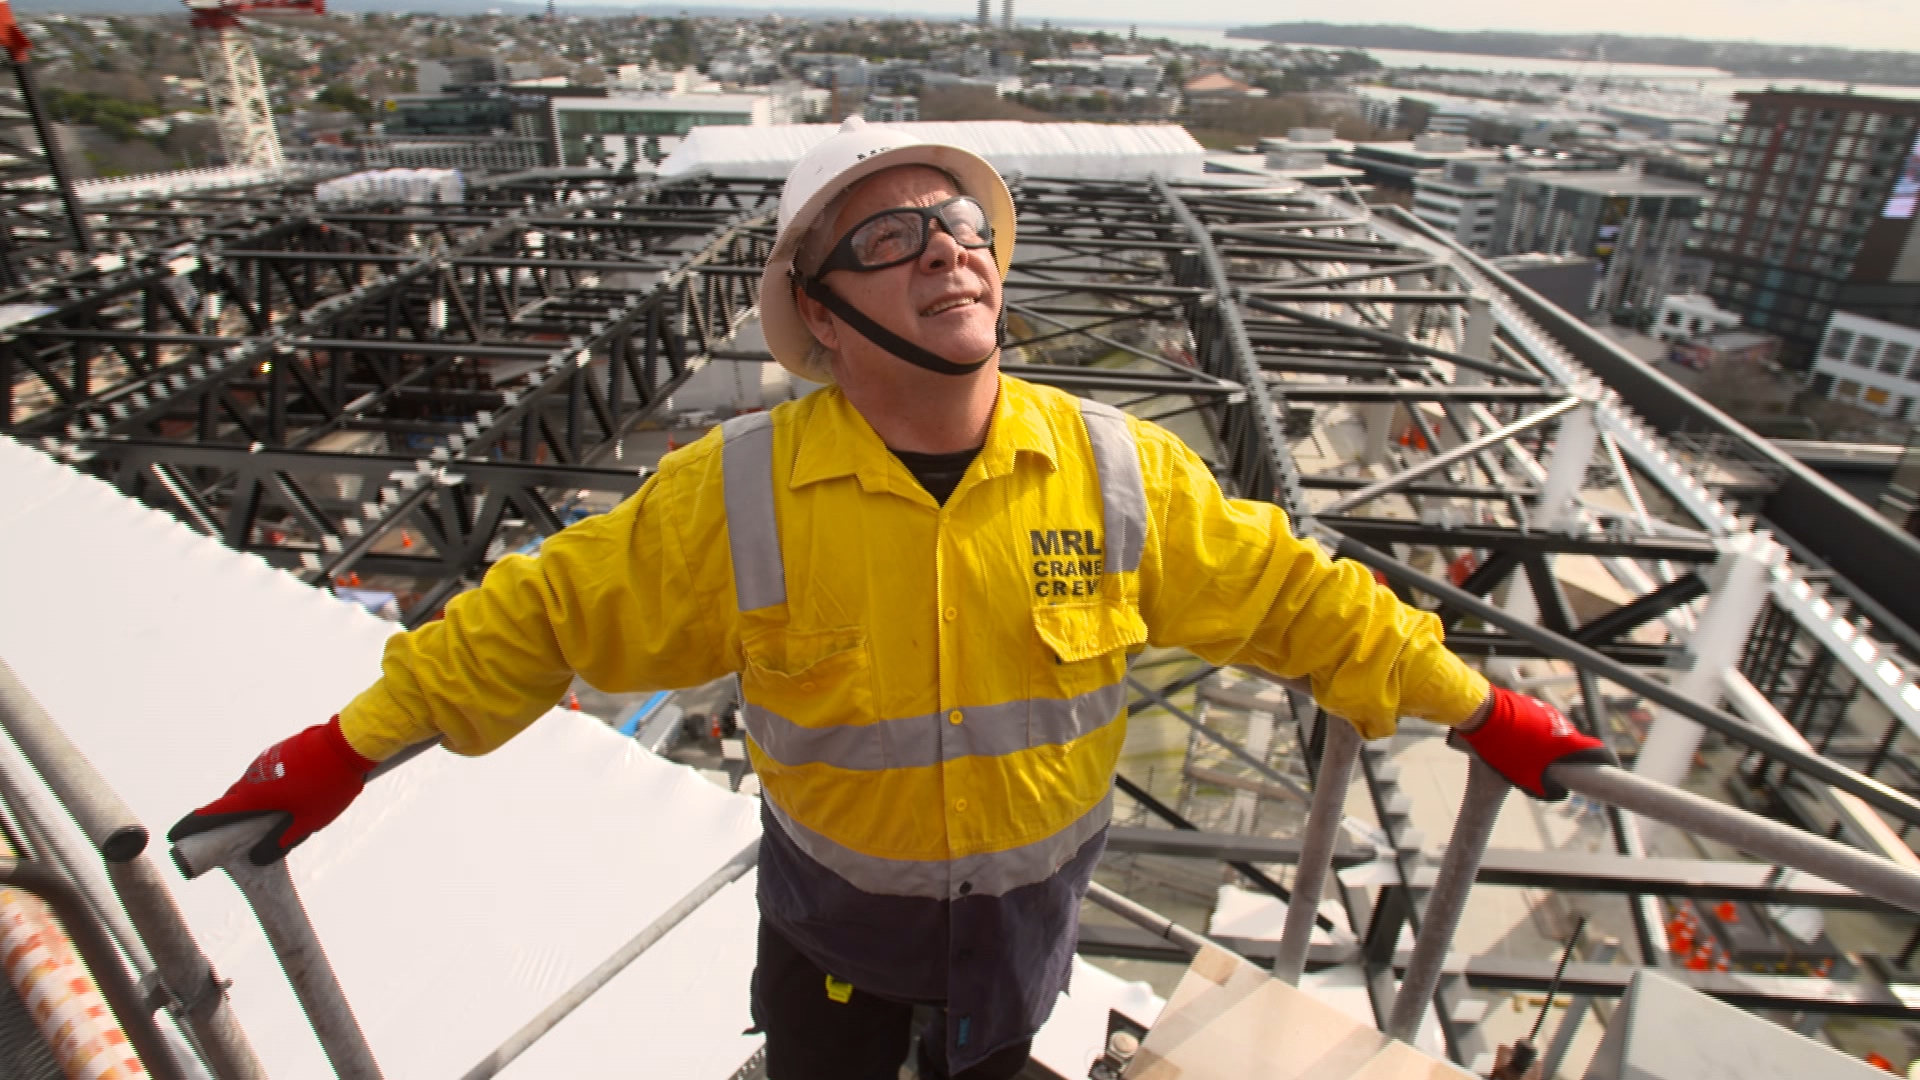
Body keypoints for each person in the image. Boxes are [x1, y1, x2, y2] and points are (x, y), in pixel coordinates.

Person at [171, 118, 1607, 1080]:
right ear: (824, 314)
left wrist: (1475, 705)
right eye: (888, 238)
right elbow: (533, 618)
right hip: (835, 970)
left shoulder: (1114, 475)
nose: (944, 247)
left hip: (1026, 952)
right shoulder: (732, 498)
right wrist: (347, 747)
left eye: (957, 223)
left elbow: (1304, 605)